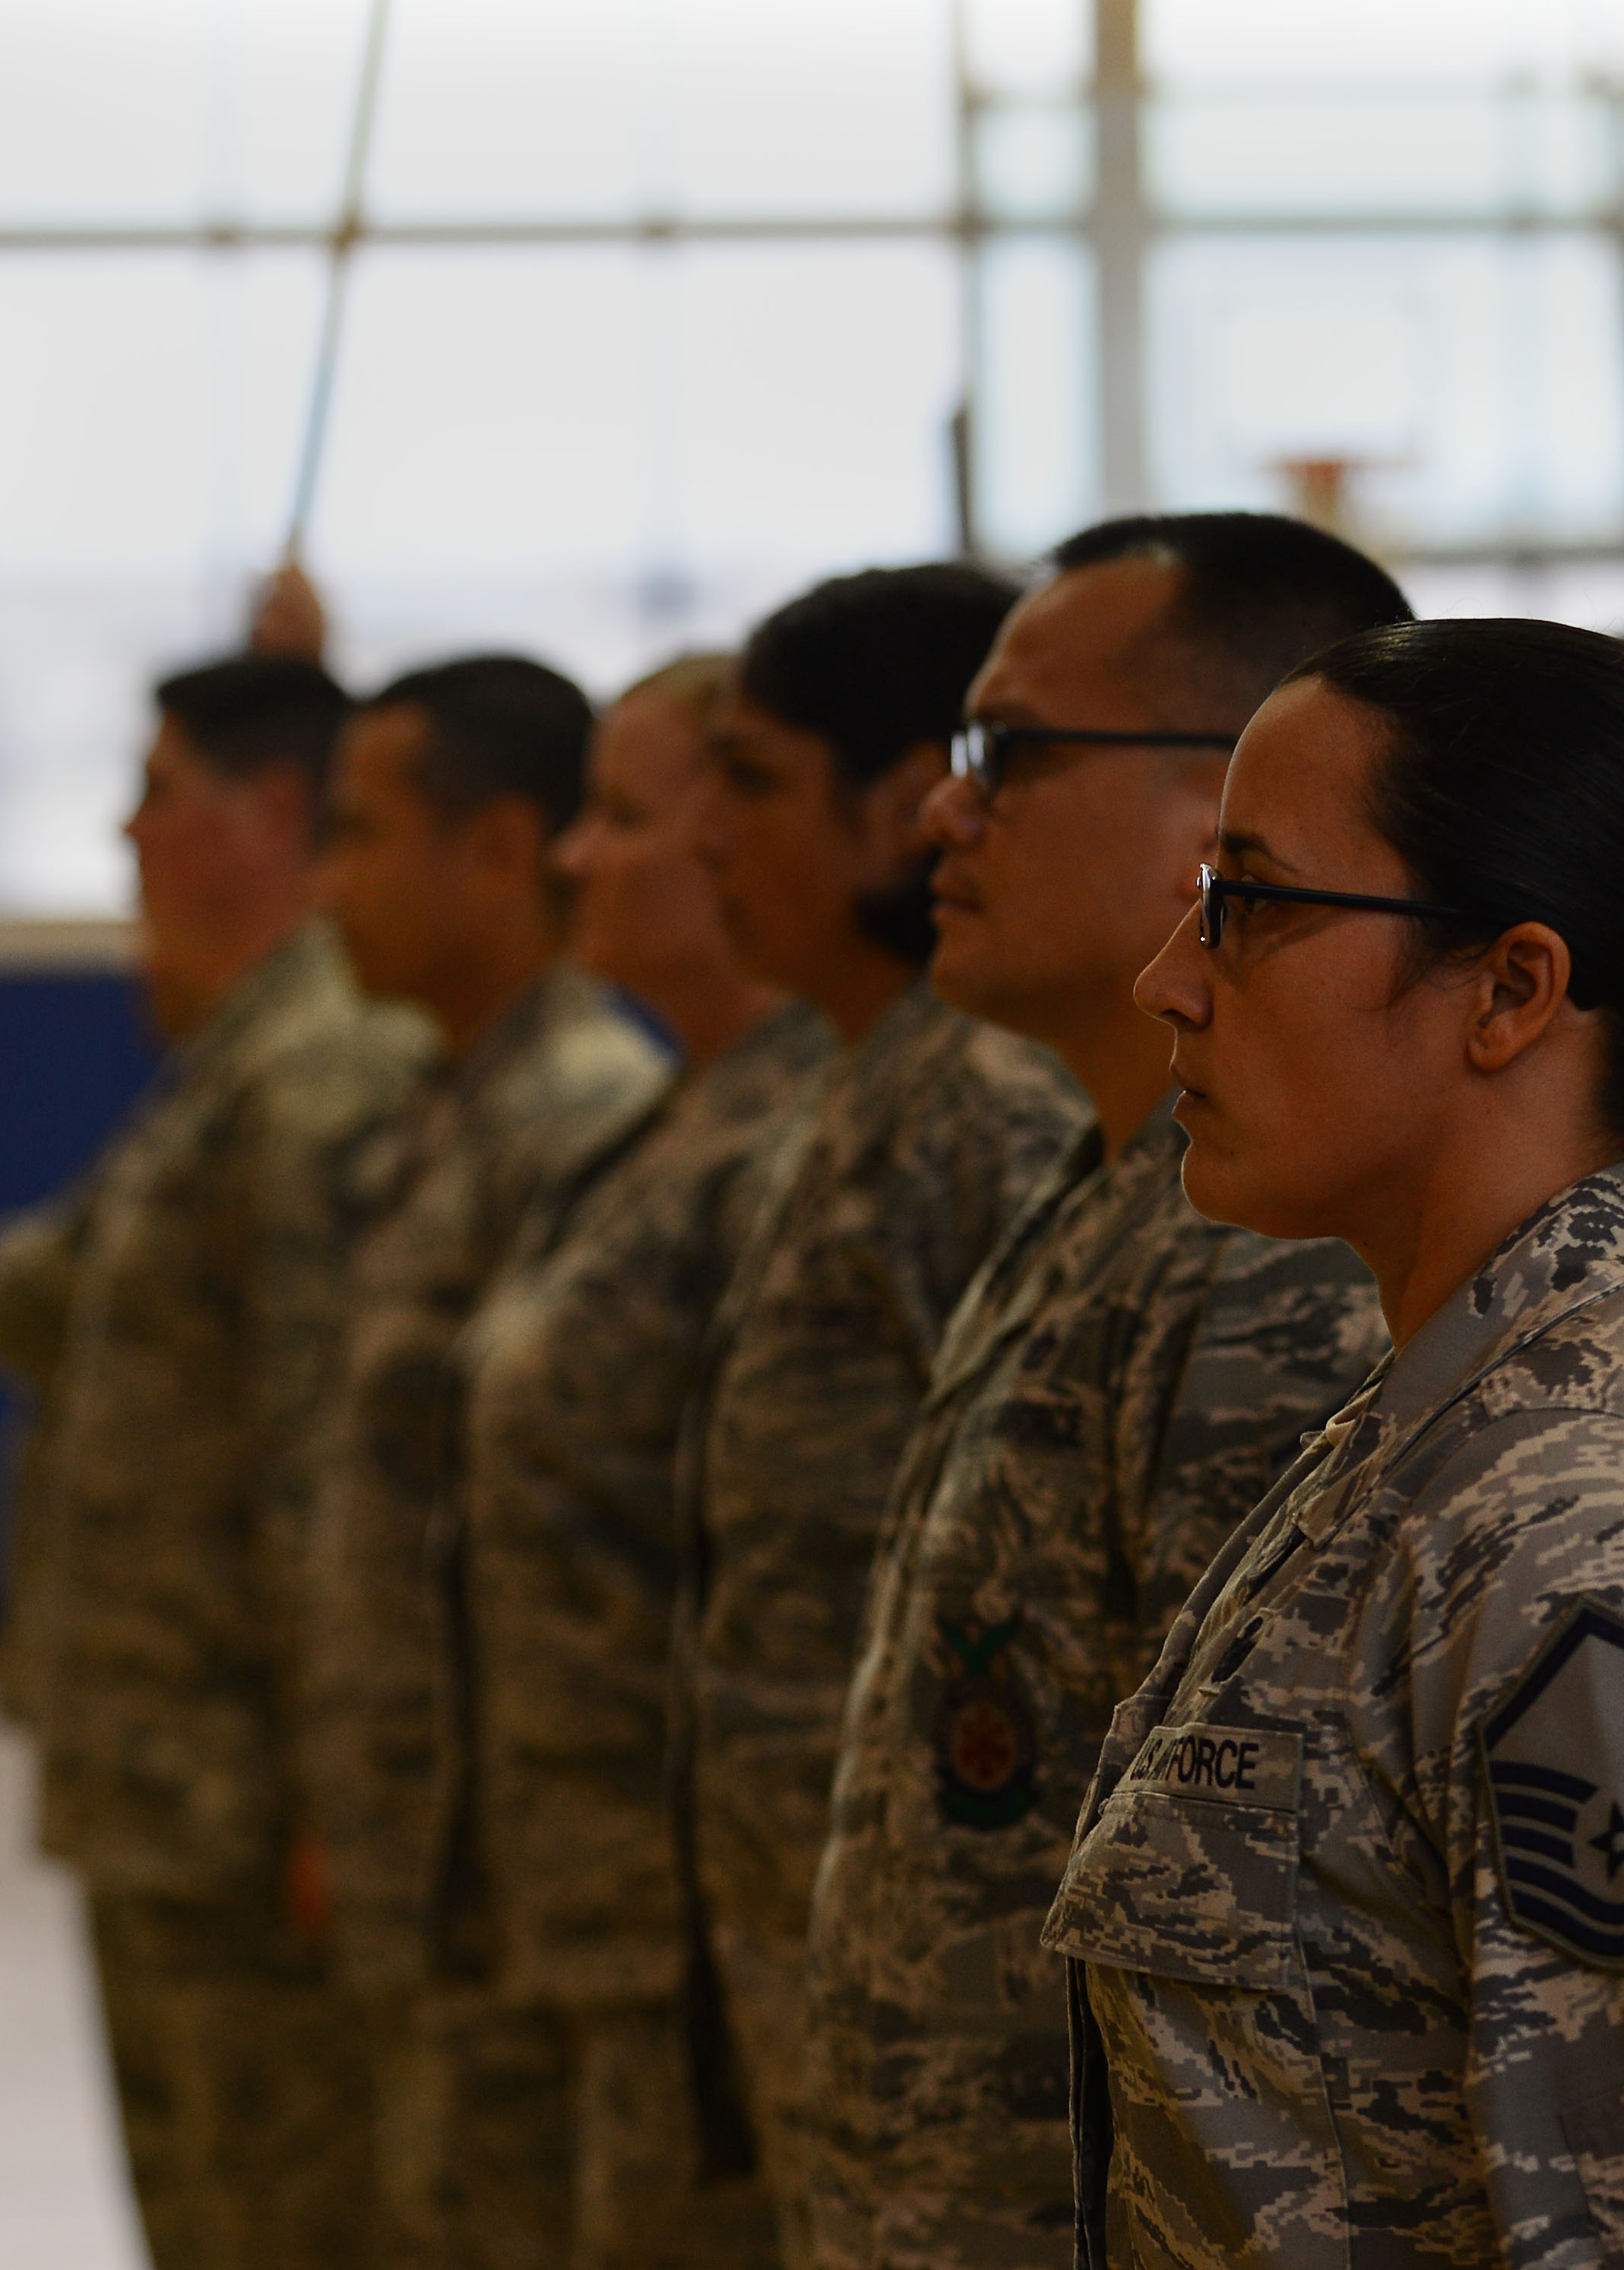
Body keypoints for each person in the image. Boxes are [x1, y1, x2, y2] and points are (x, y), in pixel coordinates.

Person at [1053, 616, 1624, 2266]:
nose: (1169, 974)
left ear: (1513, 989)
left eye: (1250, 904)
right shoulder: (1461, 1417)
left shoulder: (1612, 1525)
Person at [797, 515, 1407, 2269]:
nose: (941, 810)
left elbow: (1279, 1977)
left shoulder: (1276, 1273)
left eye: (1013, 754)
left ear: (1237, 803)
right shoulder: (1118, 1198)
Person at [0, 648, 429, 2270]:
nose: (126, 827)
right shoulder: (241, 1056)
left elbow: (329, 1456)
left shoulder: (326, 1067)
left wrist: (325, 1786)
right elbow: (19, 1302)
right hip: (174, 1790)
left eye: (160, 790)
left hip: (246, 1800)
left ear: (270, 814)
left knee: (290, 2219)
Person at [668, 566, 1085, 2255]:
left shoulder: (990, 1101)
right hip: (819, 1966)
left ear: (910, 796)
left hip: (980, 2052)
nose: (706, 839)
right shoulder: (878, 1081)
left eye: (751, 781)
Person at [451, 653, 833, 2270]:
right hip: (591, 1917)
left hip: (718, 1953)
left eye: (622, 815)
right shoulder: (681, 1119)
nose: (575, 857)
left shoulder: (822, 1144)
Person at [299, 655, 670, 2269]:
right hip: (436, 1880)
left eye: (362, 833)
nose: (331, 885)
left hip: (533, 1904)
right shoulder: (453, 1105)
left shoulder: (580, 1112)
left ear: (502, 851)